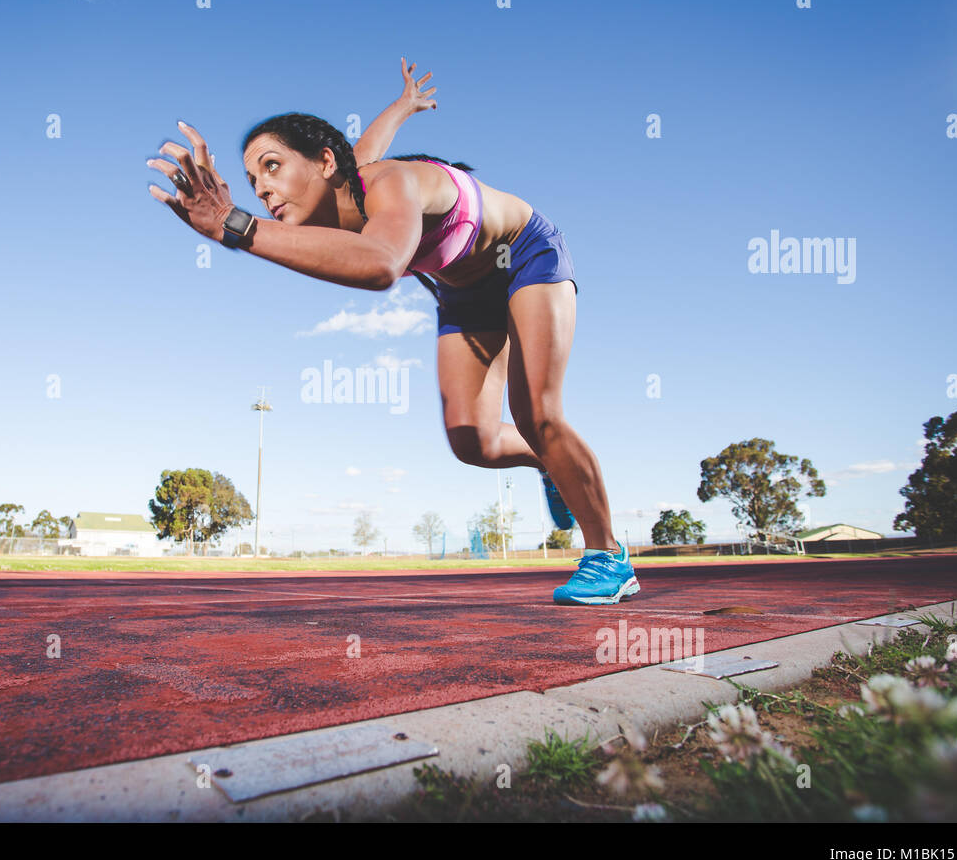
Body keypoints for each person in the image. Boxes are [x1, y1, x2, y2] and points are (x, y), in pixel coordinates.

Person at [146, 60, 640, 604]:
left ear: (324, 163)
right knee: (471, 441)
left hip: (524, 257)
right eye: (251, 181)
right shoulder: (341, 181)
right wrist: (404, 104)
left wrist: (234, 226)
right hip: (464, 292)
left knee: (535, 412)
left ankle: (608, 557)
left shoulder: (391, 181)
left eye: (271, 166)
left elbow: (381, 264)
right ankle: (553, 464)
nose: (261, 189)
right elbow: (366, 143)